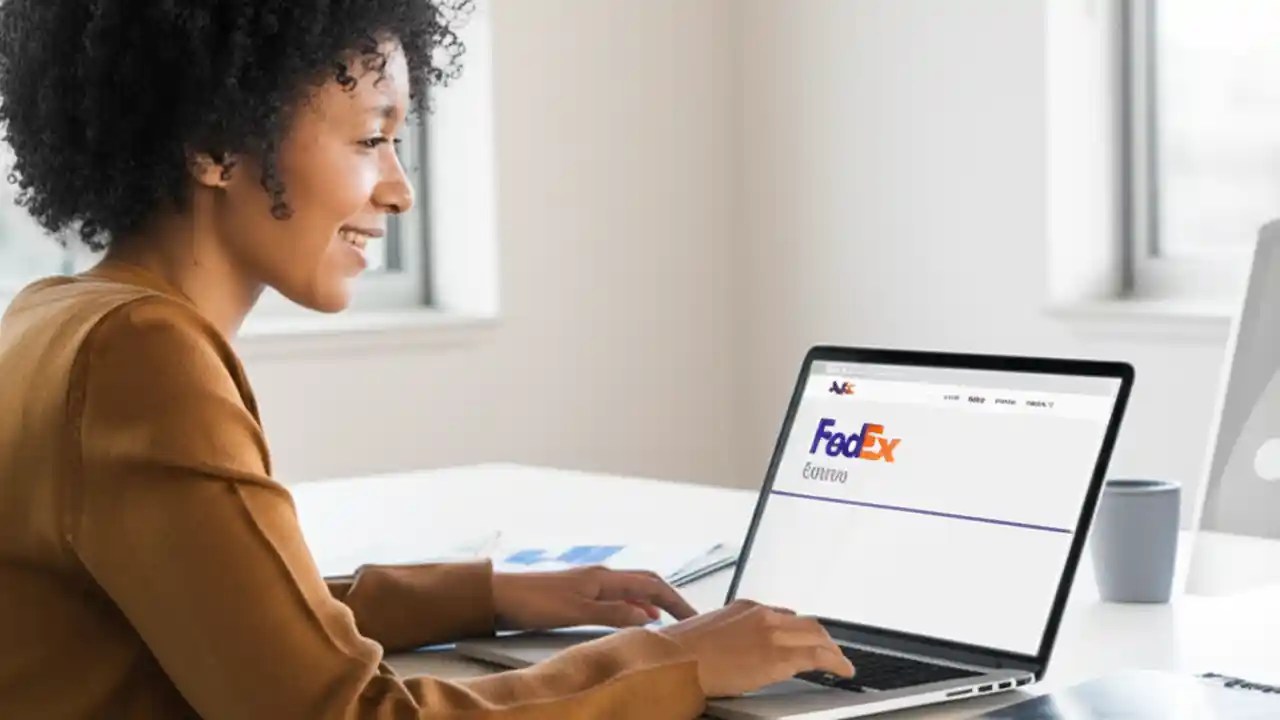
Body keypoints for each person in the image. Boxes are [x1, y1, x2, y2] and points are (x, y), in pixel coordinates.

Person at [0, 2, 854, 718]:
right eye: (371, 139)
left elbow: (225, 610)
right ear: (218, 145)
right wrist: (669, 663)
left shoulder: (52, 321)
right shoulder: (143, 357)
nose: (400, 187)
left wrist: (490, 593)